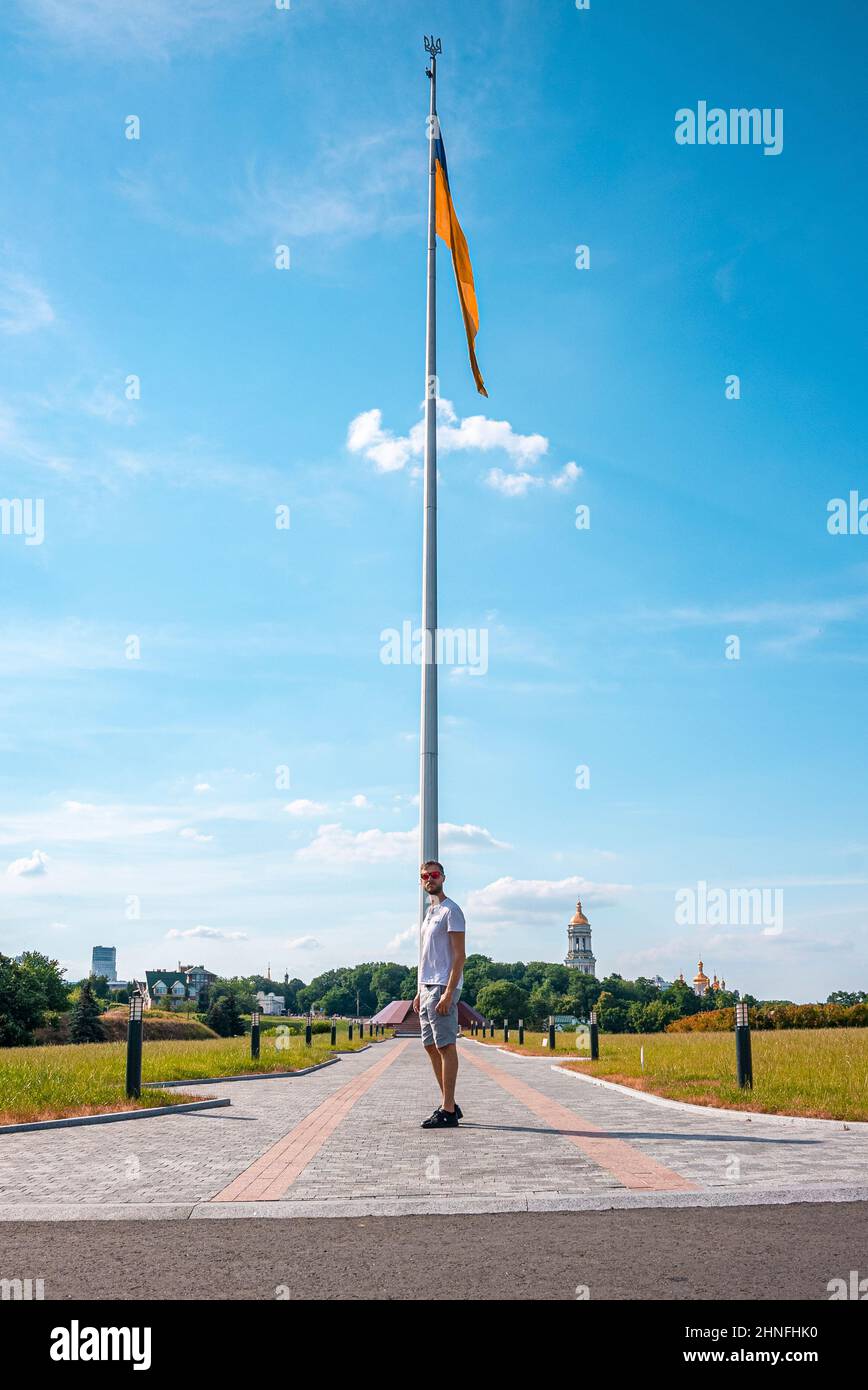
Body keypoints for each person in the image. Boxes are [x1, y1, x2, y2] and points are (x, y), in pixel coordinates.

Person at [413, 860, 466, 1128]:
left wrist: (448, 993)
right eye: (425, 876)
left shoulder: (451, 911)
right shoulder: (430, 912)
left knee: (446, 1045)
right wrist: (418, 989)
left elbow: (459, 957)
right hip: (426, 987)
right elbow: (426, 956)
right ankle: (450, 1103)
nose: (429, 879)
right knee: (430, 1045)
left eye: (434, 875)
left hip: (442, 987)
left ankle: (447, 1110)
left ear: (443, 877)